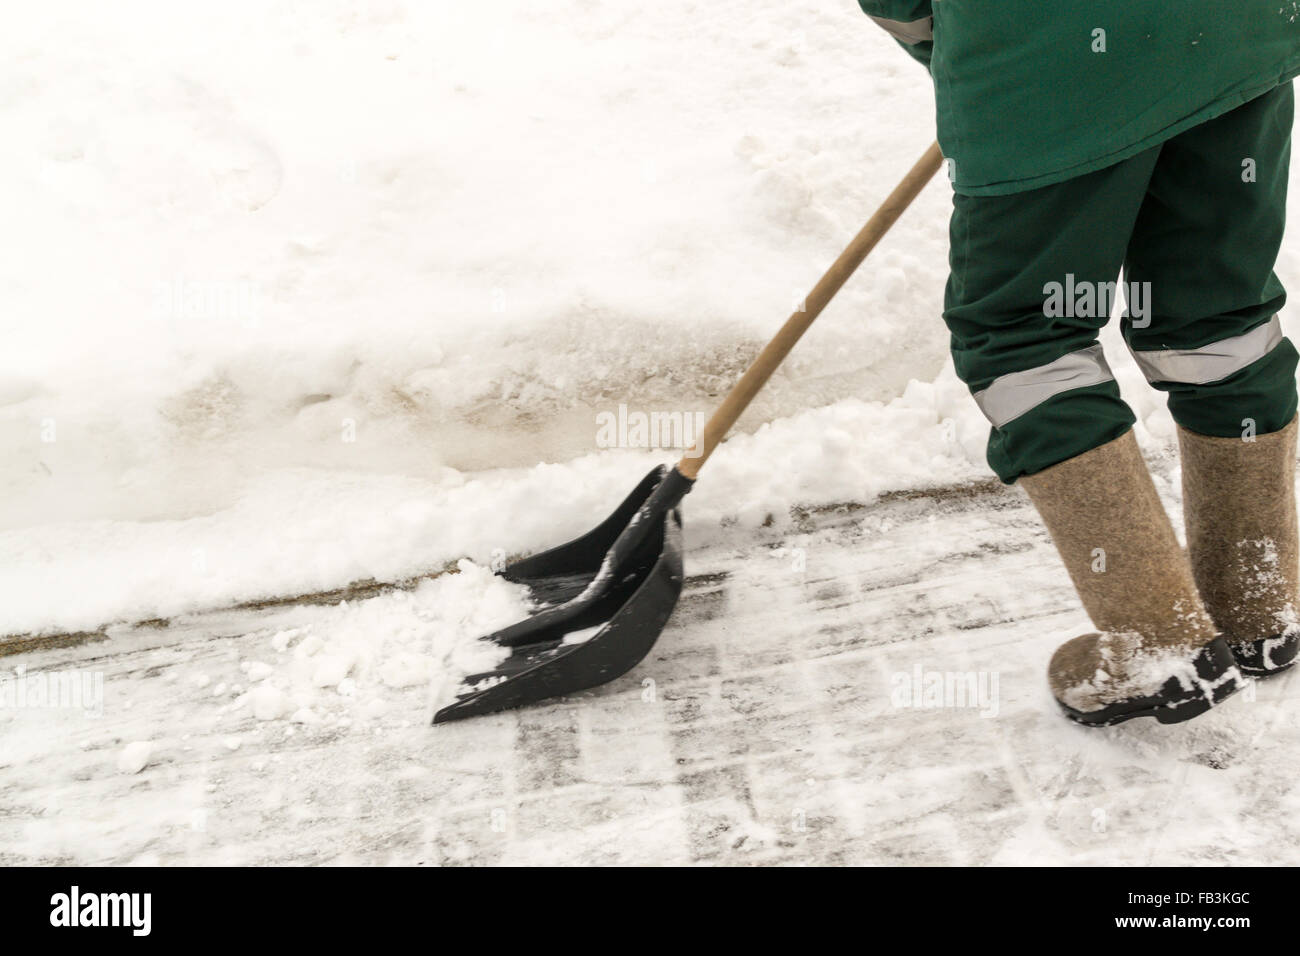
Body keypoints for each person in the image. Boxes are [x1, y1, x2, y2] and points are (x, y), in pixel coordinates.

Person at [861, 2, 1300, 724]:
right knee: (1218, 313)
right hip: (1234, 32)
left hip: (1045, 56)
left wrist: (955, 45)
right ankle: (1259, 607)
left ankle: (1160, 645)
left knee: (1023, 341)